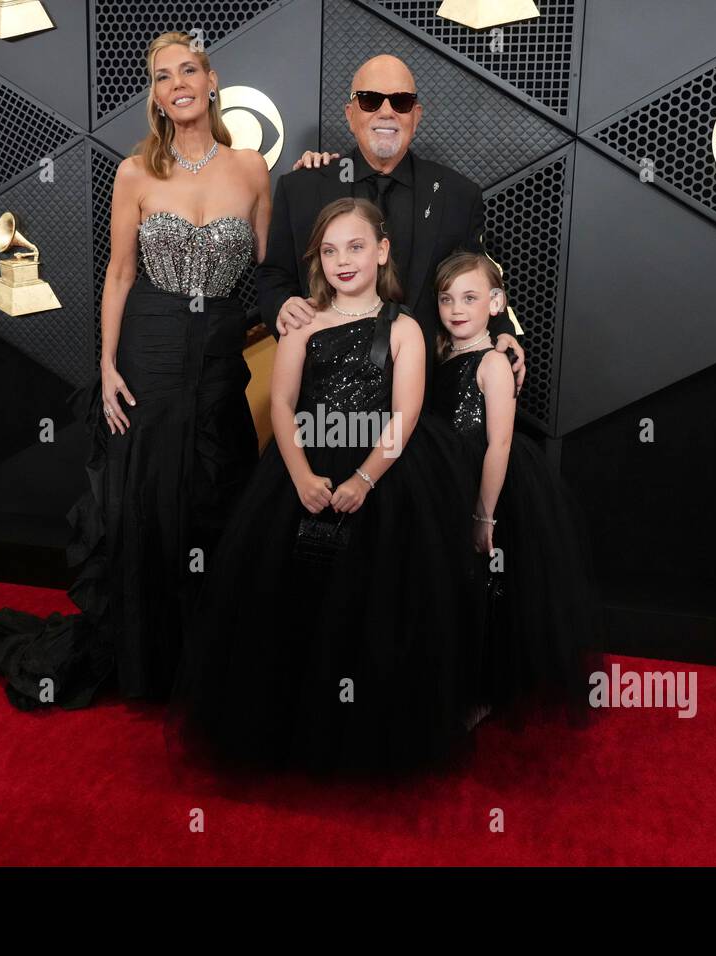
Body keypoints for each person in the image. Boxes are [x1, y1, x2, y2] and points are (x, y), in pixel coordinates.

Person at [0, 32, 271, 708]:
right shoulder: (135, 173)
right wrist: (105, 366)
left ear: (212, 81)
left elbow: (270, 275)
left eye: (188, 70)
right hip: (148, 348)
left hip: (217, 351)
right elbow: (120, 273)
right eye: (162, 76)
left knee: (211, 496)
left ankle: (206, 655)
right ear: (155, 96)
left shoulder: (251, 170)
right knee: (147, 500)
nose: (177, 83)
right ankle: (148, 658)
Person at [166, 198, 485, 780]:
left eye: (356, 246)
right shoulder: (303, 322)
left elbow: (407, 412)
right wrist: (300, 476)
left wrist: (364, 479)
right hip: (300, 474)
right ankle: (291, 727)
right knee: (288, 604)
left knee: (373, 606)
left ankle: (366, 732)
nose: (343, 260)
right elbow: (283, 404)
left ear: (382, 252)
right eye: (330, 250)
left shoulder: (406, 327)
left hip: (383, 477)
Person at [255, 54, 526, 404]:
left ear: (416, 115)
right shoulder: (303, 188)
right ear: (350, 114)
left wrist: (502, 330)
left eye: (401, 102)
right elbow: (274, 274)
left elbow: (476, 277)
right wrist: (281, 306)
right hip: (328, 405)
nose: (386, 112)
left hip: (428, 399)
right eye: (370, 100)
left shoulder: (459, 195)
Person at [429, 251, 604, 730]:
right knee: (454, 585)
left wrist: (484, 514)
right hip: (445, 478)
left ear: (495, 302)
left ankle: (483, 690)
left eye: (470, 297)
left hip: (491, 485)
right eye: (447, 299)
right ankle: (451, 680)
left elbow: (500, 442)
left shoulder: (494, 362)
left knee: (488, 589)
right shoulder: (445, 356)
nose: (457, 308)